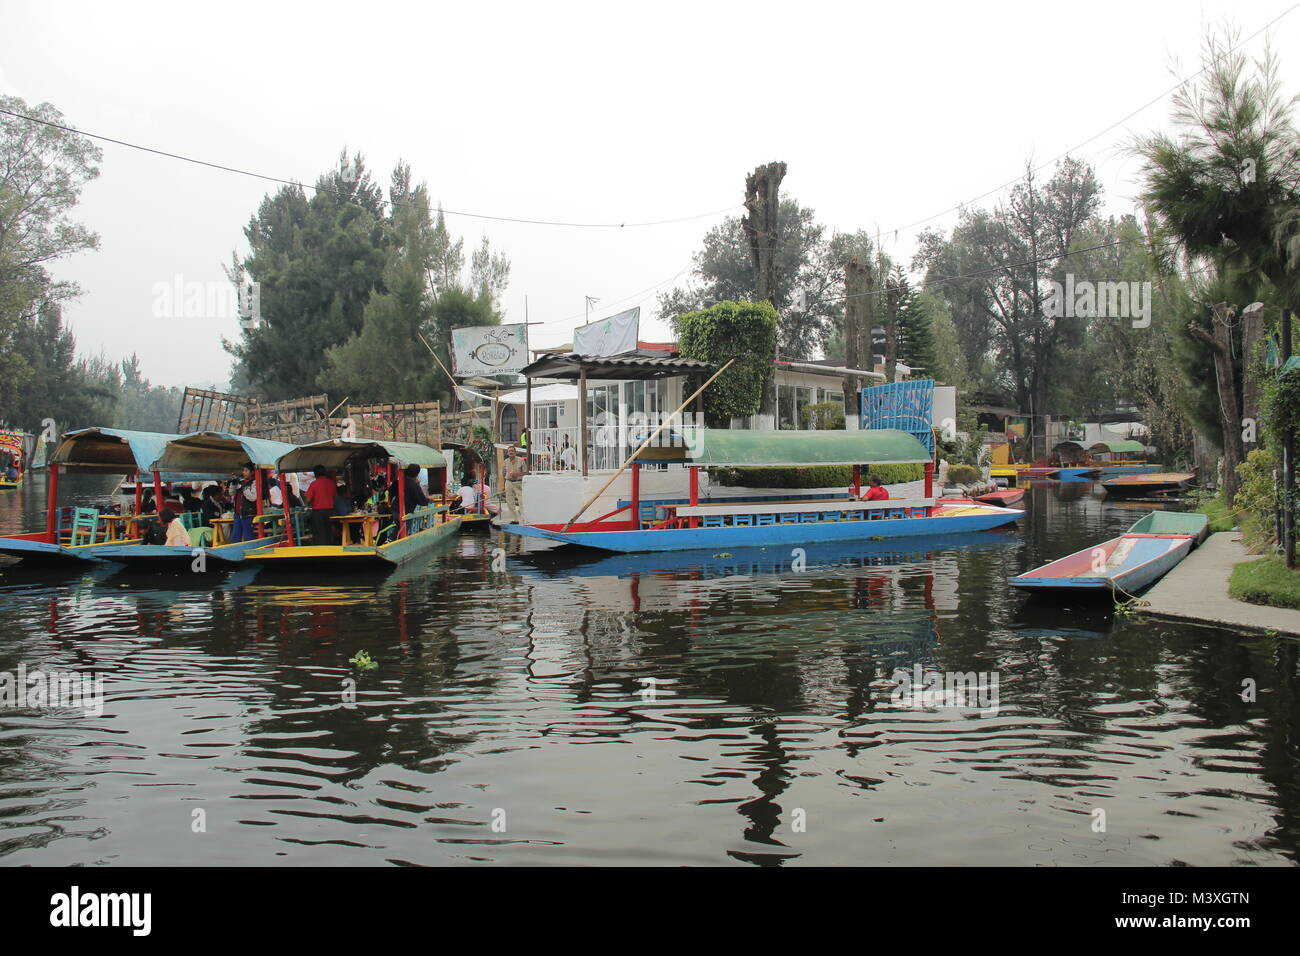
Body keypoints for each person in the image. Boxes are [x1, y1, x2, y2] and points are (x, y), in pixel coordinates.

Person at [304, 465, 337, 545]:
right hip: (330, 512)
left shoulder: (314, 484)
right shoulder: (331, 483)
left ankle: (322, 552)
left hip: (318, 512)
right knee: (329, 533)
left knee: (319, 534)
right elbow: (334, 496)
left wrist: (307, 505)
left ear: (315, 474)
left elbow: (308, 499)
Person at [230, 463, 259, 543]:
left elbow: (253, 497)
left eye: (246, 471)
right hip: (238, 514)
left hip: (248, 514)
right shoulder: (241, 482)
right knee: (235, 537)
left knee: (248, 537)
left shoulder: (254, 483)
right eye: (243, 471)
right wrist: (233, 484)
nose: (244, 472)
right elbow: (231, 493)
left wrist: (243, 488)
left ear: (252, 472)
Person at [501, 444, 527, 524]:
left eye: (512, 451)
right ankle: (514, 519)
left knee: (521, 500)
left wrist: (516, 474)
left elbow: (525, 472)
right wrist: (504, 484)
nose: (511, 452)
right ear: (508, 453)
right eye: (509, 451)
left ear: (515, 452)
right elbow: (503, 473)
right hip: (508, 482)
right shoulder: (505, 461)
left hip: (518, 482)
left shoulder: (521, 460)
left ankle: (523, 519)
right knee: (509, 501)